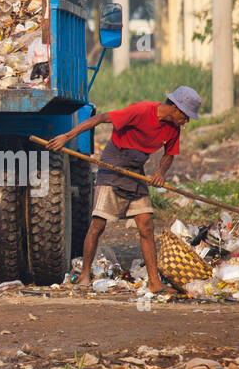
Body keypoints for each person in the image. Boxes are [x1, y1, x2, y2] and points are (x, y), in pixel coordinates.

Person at [46, 86, 202, 294]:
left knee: (146, 224)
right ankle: (84, 275)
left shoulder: (173, 129)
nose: (187, 121)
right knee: (98, 225)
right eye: (186, 116)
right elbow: (99, 118)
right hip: (114, 163)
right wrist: (67, 136)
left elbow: (169, 154)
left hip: (136, 168)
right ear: (175, 108)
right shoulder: (141, 111)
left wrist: (160, 173)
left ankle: (154, 282)